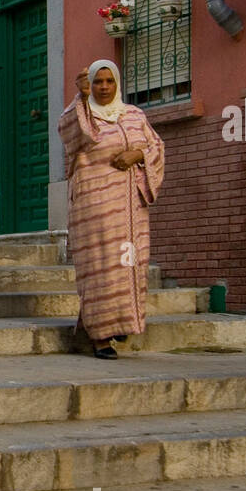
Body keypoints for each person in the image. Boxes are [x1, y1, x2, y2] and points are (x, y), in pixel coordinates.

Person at [58, 59, 165, 359]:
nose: (104, 87)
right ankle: (101, 336)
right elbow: (70, 134)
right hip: (95, 206)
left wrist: (137, 154)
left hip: (131, 206)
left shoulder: (134, 114)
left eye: (109, 81)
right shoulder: (81, 113)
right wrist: (79, 98)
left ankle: (121, 323)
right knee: (100, 264)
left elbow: (156, 146)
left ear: (117, 83)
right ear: (89, 84)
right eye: (97, 82)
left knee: (130, 263)